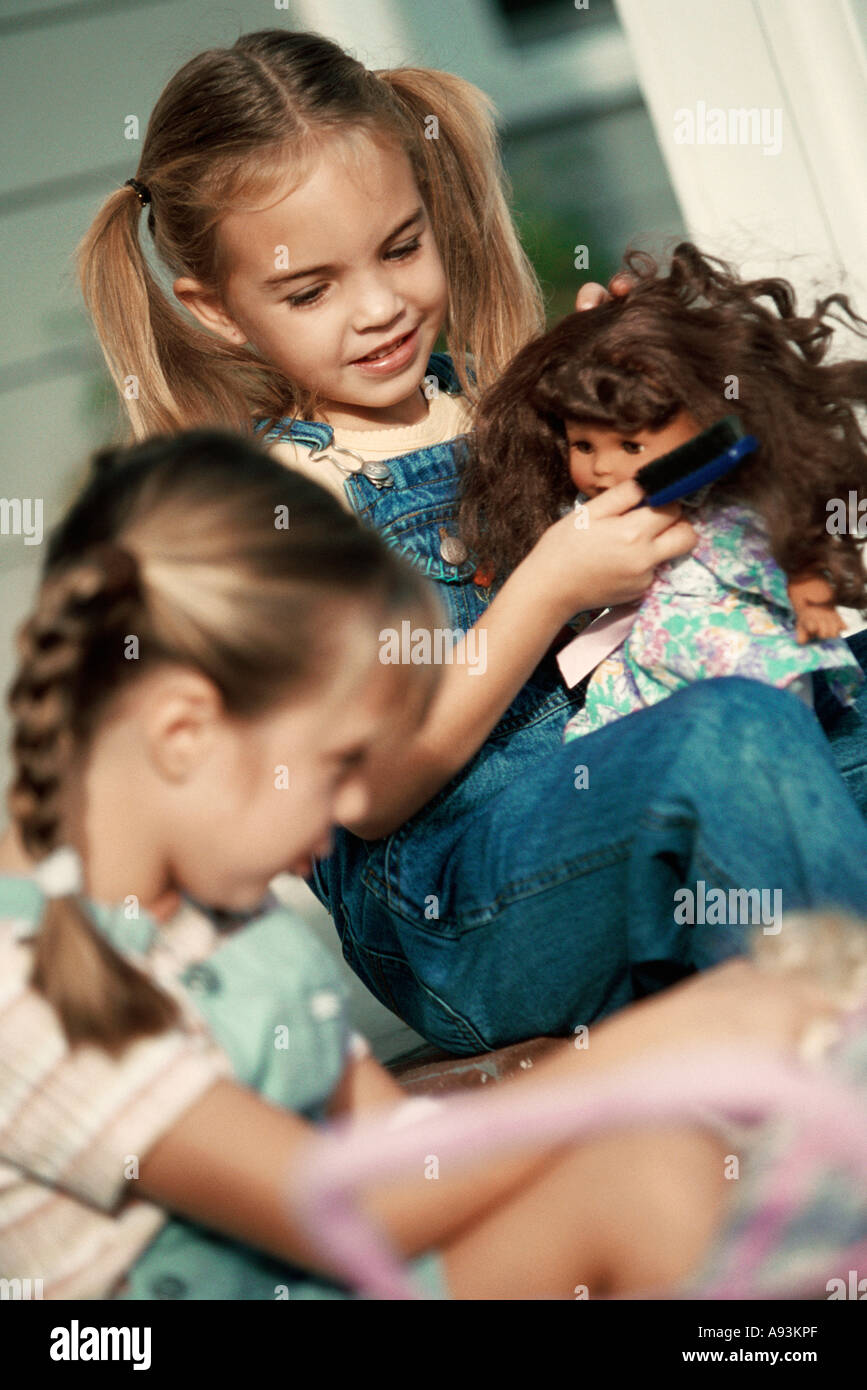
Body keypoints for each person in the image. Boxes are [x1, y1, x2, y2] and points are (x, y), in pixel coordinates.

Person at [76, 27, 867, 1052]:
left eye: (401, 247)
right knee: (729, 736)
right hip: (454, 898)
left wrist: (637, 394)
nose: (378, 307)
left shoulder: (495, 408)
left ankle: (770, 1011)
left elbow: (690, 530)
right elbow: (365, 792)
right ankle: (835, 1082)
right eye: (310, 290)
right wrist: (547, 581)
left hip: (609, 796)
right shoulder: (271, 500)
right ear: (217, 311)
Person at [0, 431, 858, 1301]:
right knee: (644, 1183)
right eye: (334, 767)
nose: (348, 818)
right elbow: (341, 1207)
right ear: (183, 735)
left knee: (658, 1162)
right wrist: (650, 1050)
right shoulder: (22, 984)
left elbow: (397, 1144)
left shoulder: (222, 913)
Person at [458, 241, 867, 740]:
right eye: (582, 444)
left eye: (631, 446)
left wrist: (812, 596)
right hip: (646, 667)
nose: (602, 467)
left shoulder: (728, 509)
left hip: (738, 656)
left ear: (704, 425)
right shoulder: (590, 518)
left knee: (761, 737)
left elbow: (791, 539)